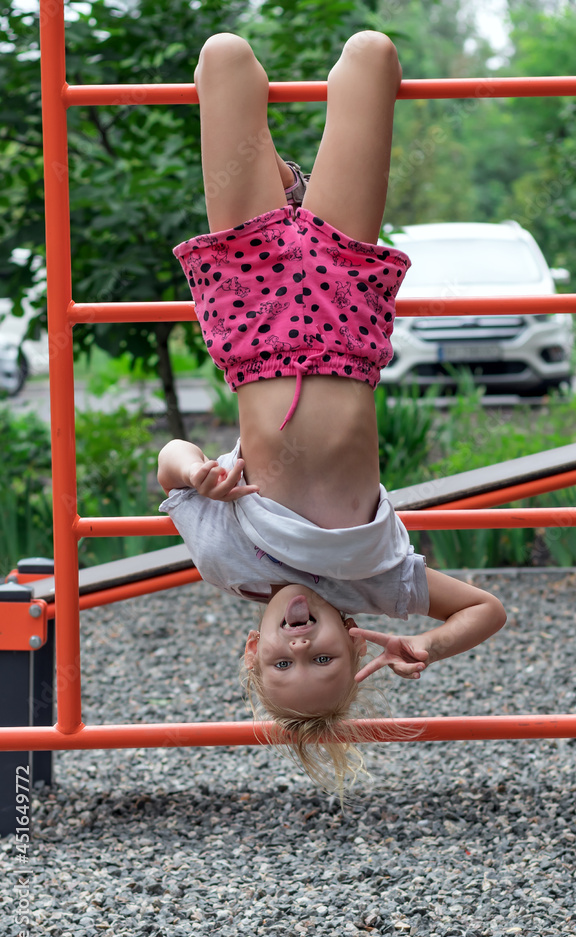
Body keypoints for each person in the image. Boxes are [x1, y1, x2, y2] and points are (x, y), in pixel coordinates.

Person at [157, 30, 507, 794]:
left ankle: (283, 187)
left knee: (224, 57)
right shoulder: (381, 582)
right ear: (355, 642)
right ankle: (293, 189)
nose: (301, 643)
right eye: (324, 660)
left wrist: (199, 471)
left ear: (253, 651)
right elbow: (486, 609)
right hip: (345, 315)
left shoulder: (229, 564)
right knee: (371, 55)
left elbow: (170, 464)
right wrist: (430, 647)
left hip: (248, 316)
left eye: (284, 663)